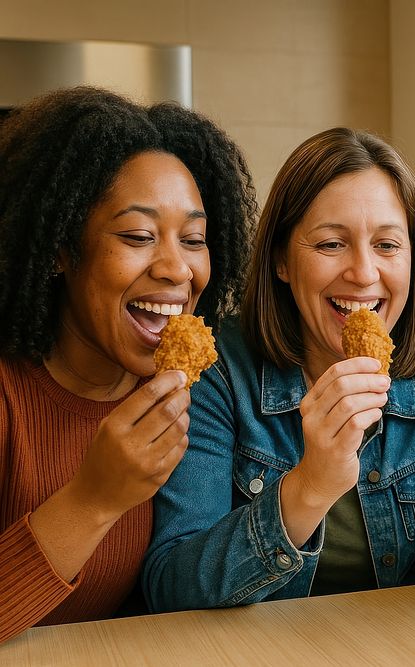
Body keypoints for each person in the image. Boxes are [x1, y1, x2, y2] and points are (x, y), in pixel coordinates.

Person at [142, 127, 415, 610]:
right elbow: (173, 589)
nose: (364, 273)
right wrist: (311, 485)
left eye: (387, 246)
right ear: (281, 259)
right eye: (330, 245)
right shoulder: (218, 370)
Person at [0, 86, 255, 643]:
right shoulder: (8, 395)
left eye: (193, 239)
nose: (175, 268)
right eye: (138, 236)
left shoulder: (198, 395)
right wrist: (95, 498)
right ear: (62, 249)